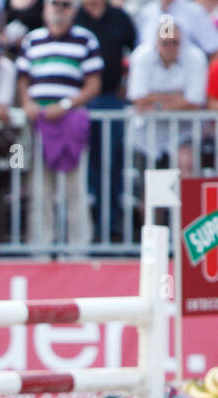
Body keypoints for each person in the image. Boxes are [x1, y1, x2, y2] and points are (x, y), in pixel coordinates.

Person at [16, 0, 102, 253]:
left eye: (65, 4)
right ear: (44, 9)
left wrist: (65, 105)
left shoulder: (86, 40)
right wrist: (27, 102)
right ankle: (40, 249)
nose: (59, 9)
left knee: (74, 189)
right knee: (40, 188)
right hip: (39, 124)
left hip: (71, 123)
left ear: (73, 10)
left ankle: (78, 250)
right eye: (54, 4)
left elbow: (93, 85)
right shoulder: (32, 39)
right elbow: (23, 80)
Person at [76, 0, 136, 243]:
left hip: (111, 99)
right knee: (79, 167)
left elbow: (138, 52)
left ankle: (109, 226)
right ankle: (82, 229)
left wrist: (126, 85)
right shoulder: (75, 15)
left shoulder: (119, 17)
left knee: (110, 164)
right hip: (79, 102)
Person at [127, 17, 209, 176]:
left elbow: (193, 102)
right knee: (148, 187)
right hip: (147, 136)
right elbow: (139, 99)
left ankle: (187, 202)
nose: (170, 47)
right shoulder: (142, 56)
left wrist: (156, 103)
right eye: (165, 43)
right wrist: (177, 97)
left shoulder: (195, 57)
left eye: (175, 42)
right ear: (157, 43)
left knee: (185, 169)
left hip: (183, 132)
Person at [134, 0, 218, 58]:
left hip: (188, 79)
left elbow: (214, 50)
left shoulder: (195, 12)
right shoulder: (146, 13)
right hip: (151, 79)